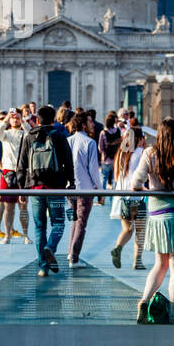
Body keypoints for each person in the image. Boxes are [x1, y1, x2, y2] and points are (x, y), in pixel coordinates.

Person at [130, 117, 174, 322]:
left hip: (158, 216)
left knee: (159, 264)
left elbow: (135, 183)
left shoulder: (149, 153)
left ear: (159, 134)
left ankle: (144, 300)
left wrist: (151, 191)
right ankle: (171, 313)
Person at [16, 105, 76, 277]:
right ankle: (51, 247)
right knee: (58, 223)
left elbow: (21, 166)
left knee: (39, 226)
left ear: (37, 119)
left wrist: (21, 189)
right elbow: (68, 161)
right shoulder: (58, 136)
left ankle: (43, 266)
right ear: (53, 120)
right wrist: (71, 183)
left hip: (35, 189)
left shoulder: (29, 137)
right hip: (56, 187)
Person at [109, 128, 149, 270]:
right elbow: (143, 175)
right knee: (140, 231)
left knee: (127, 229)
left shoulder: (120, 154)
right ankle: (137, 261)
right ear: (138, 139)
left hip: (121, 198)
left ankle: (118, 247)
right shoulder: (140, 153)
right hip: (137, 197)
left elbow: (116, 177)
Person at [66, 111, 101, 268]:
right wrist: (100, 190)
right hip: (85, 188)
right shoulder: (90, 142)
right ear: (83, 124)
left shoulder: (68, 141)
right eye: (90, 122)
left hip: (69, 187)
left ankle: (70, 252)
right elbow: (93, 169)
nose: (93, 124)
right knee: (81, 223)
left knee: (75, 221)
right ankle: (74, 256)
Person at [0, 108, 29, 243]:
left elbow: (31, 135)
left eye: (16, 117)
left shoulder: (24, 133)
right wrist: (6, 119)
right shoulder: (5, 134)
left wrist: (22, 120)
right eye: (13, 117)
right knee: (8, 206)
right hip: (7, 172)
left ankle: (26, 235)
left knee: (23, 205)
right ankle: (8, 234)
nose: (15, 119)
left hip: (23, 172)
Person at [98, 112, 123, 189]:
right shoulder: (118, 131)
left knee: (104, 178)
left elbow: (100, 148)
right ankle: (115, 197)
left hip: (106, 159)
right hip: (116, 159)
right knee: (115, 178)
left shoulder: (103, 133)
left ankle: (101, 197)